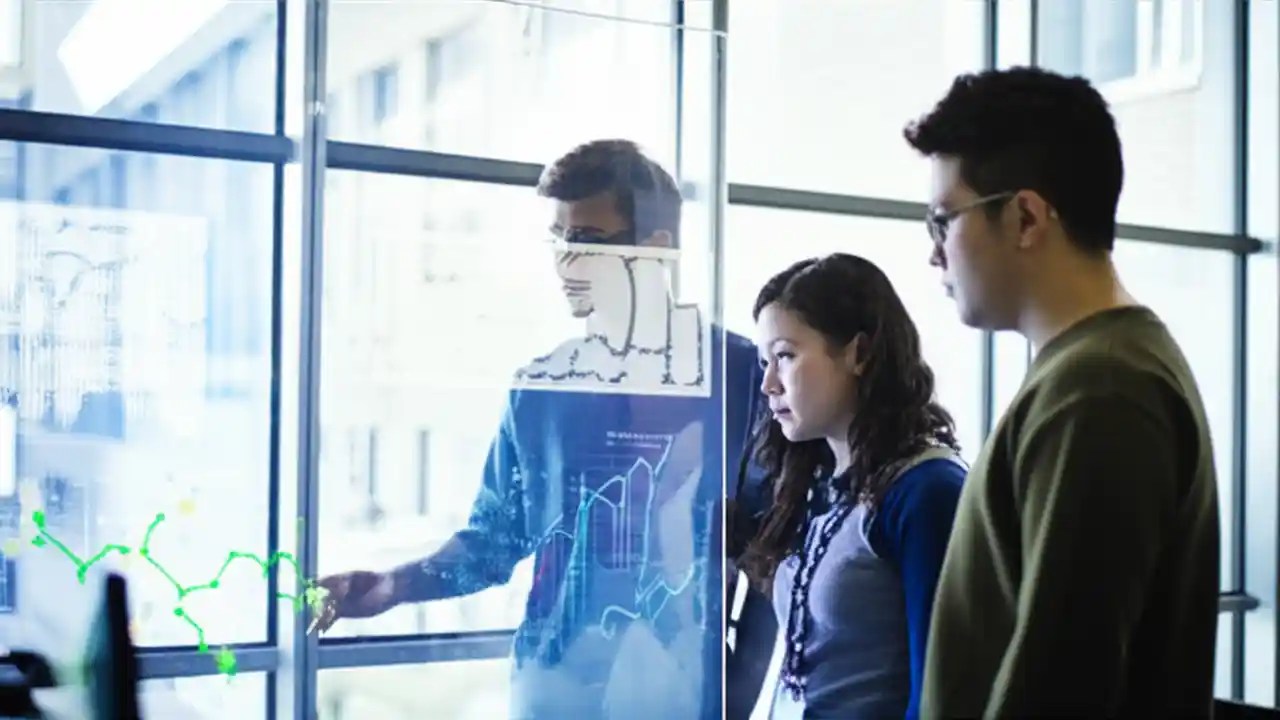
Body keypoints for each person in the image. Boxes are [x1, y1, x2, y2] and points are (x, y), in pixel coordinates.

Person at [310, 139, 762, 720]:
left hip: (685, 695)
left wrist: (741, 695)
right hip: (553, 694)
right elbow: (495, 539)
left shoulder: (743, 378)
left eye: (587, 241)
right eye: (558, 239)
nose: (565, 263)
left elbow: (776, 556)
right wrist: (394, 586)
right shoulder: (543, 388)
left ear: (655, 249)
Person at [902, 66, 1221, 718]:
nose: (935, 254)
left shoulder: (1100, 390)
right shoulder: (1093, 371)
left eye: (943, 221)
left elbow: (1061, 686)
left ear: (1025, 217)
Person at [730, 254, 966, 720]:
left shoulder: (926, 490)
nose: (768, 384)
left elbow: (944, 692)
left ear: (859, 354)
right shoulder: (813, 486)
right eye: (763, 362)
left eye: (785, 356)